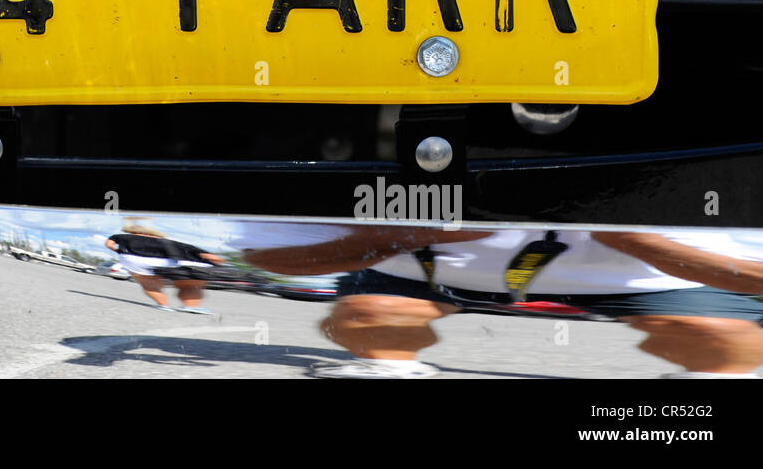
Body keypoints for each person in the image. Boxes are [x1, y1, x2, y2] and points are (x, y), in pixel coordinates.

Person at [242, 225, 763, 378]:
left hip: (626, 273)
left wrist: (639, 240)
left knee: (725, 347)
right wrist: (405, 234)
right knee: (366, 319)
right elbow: (264, 257)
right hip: (433, 264)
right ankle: (388, 367)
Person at [105, 223, 226, 314]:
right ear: (154, 234)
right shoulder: (169, 242)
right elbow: (204, 254)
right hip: (169, 262)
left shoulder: (121, 236)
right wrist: (215, 259)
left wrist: (121, 252)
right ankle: (191, 306)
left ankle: (164, 305)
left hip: (133, 259)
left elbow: (109, 245)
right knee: (188, 284)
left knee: (150, 284)